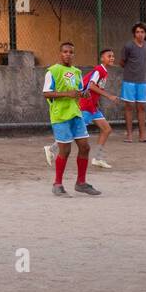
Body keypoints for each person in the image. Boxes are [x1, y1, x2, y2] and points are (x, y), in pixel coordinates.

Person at [41, 42, 100, 197]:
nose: (68, 54)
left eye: (71, 52)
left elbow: (79, 91)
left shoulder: (77, 72)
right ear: (60, 53)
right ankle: (57, 184)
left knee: (85, 147)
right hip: (60, 115)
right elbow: (46, 93)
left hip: (76, 114)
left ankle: (81, 183)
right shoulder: (52, 71)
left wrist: (84, 94)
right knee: (65, 150)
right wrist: (67, 94)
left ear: (74, 54)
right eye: (65, 51)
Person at [79, 49, 120, 169]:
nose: (112, 58)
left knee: (106, 129)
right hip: (86, 105)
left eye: (113, 56)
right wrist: (109, 96)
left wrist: (96, 102)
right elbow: (90, 85)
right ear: (102, 58)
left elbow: (93, 88)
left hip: (93, 106)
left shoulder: (104, 71)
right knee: (76, 130)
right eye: (109, 56)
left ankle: (97, 158)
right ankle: (52, 148)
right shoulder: (99, 70)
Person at [120, 23, 146, 143]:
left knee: (141, 108)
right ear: (134, 33)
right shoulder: (128, 46)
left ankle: (142, 135)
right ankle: (129, 135)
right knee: (129, 107)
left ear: (145, 34)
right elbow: (122, 62)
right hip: (129, 82)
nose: (140, 34)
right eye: (138, 32)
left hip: (142, 82)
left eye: (142, 32)